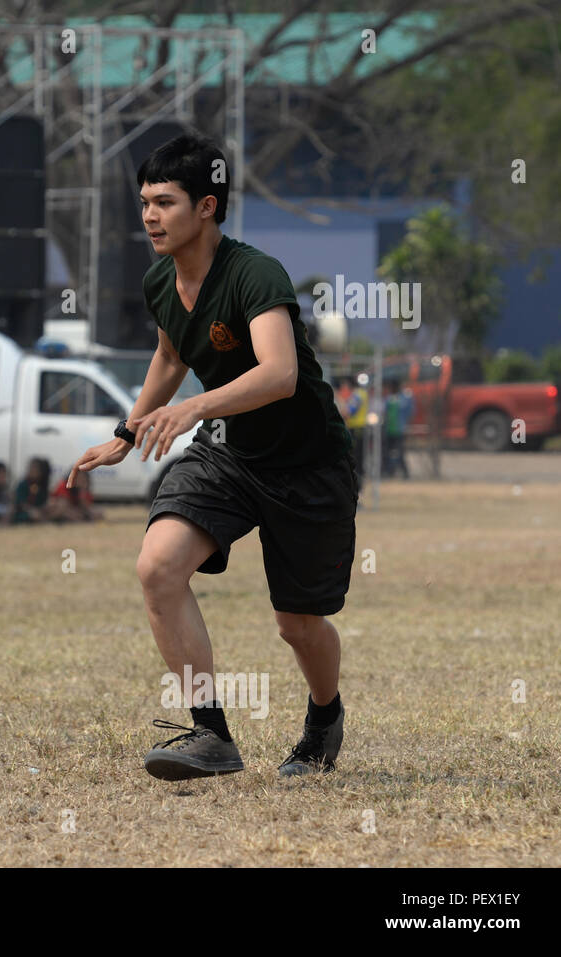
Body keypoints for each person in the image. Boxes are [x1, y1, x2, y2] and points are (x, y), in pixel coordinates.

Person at [69, 133, 357, 781]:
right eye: (144, 201)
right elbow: (173, 354)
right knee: (158, 566)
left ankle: (323, 718)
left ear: (207, 207)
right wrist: (129, 428)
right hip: (229, 452)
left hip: (307, 464)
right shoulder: (159, 280)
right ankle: (210, 735)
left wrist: (193, 408)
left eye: (164, 202)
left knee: (298, 623)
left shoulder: (255, 275)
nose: (149, 215)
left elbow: (279, 374)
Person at [383, 379, 413, 479]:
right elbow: (385, 412)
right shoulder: (388, 399)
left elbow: (410, 410)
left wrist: (406, 423)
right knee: (388, 452)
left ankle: (405, 473)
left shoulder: (404, 398)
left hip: (400, 429)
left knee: (400, 453)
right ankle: (389, 472)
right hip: (389, 429)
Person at [11, 457, 52, 524]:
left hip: (39, 512)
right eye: (30, 467)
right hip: (23, 513)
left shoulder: (42, 485)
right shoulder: (23, 484)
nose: (31, 470)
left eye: (34, 468)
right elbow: (21, 504)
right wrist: (32, 511)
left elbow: (44, 502)